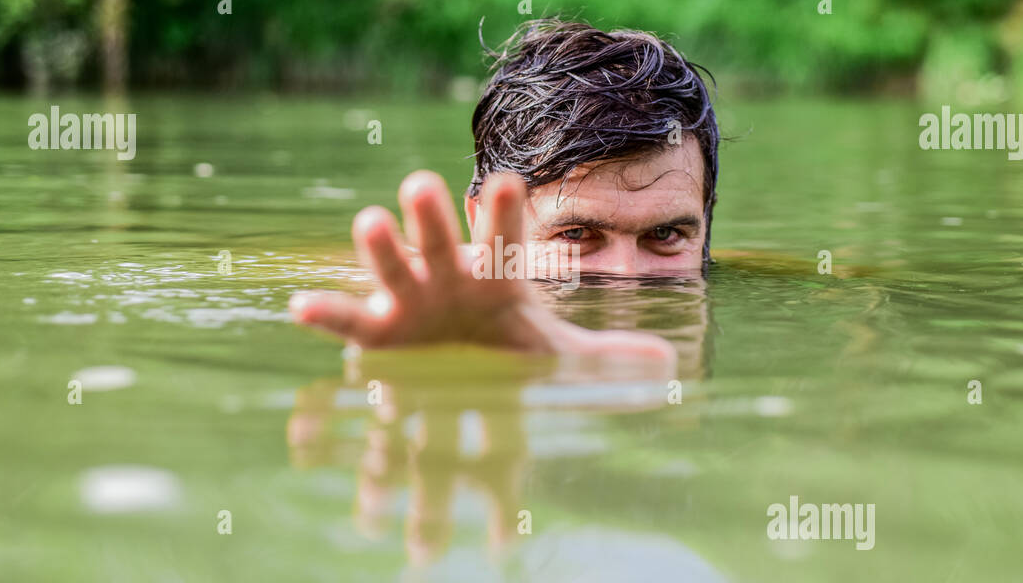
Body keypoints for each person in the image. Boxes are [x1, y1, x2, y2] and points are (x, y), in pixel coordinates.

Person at [289, 19, 720, 368]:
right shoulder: (400, 290)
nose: (627, 280)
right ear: (480, 225)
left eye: (664, 235)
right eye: (575, 235)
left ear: (705, 221)